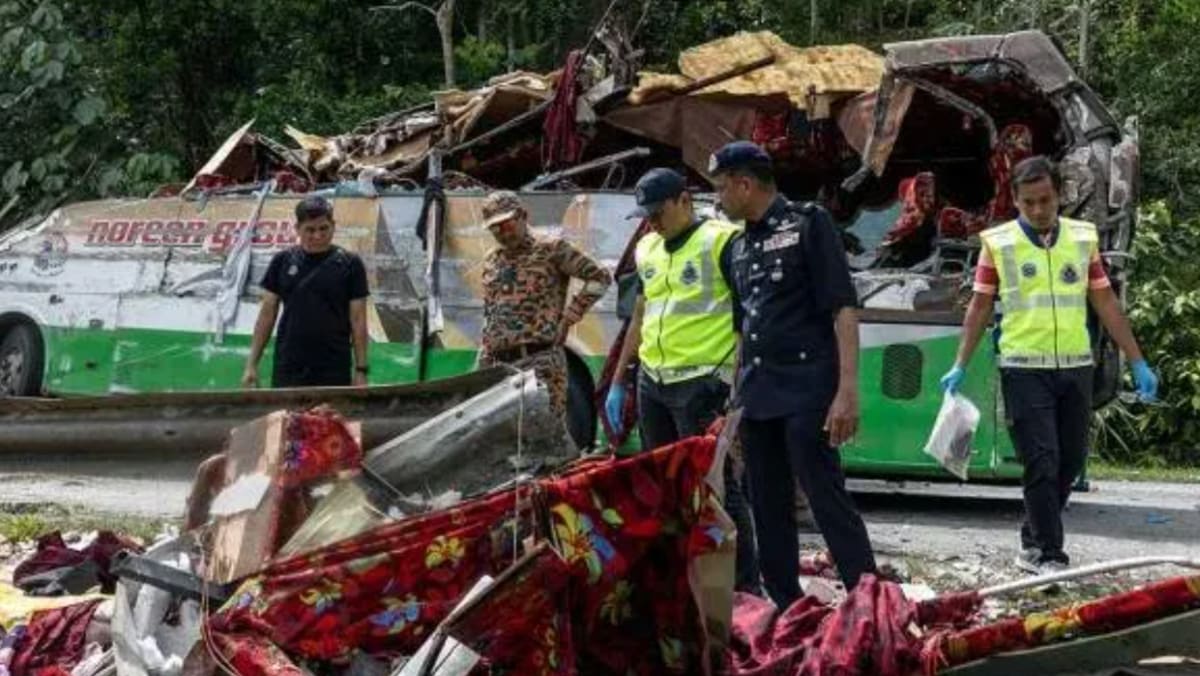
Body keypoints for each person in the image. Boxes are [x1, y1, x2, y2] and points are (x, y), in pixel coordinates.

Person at [941, 155, 1158, 575]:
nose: (1038, 210)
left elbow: (1105, 300)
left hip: (1076, 366)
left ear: (1059, 195)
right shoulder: (998, 243)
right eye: (1028, 203)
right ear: (1016, 202)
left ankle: (1031, 537)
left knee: (1070, 461)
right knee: (1041, 458)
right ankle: (1049, 555)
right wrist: (960, 364)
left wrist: (1137, 359)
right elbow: (980, 306)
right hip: (1024, 369)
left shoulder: (1082, 238)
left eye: (1045, 200)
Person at [711, 140, 877, 608]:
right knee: (766, 502)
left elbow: (842, 308)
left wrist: (848, 392)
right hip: (758, 395)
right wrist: (734, 403)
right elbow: (744, 329)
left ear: (745, 184)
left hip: (808, 390)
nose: (719, 199)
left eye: (723, 188)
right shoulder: (737, 247)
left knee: (825, 496)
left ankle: (868, 599)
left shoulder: (809, 224)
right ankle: (784, 602)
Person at [605, 167, 761, 594]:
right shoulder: (648, 247)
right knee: (664, 489)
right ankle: (679, 580)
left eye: (658, 212)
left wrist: (738, 388)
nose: (652, 222)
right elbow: (640, 313)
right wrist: (619, 379)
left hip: (703, 383)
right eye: (646, 214)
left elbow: (747, 318)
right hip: (653, 382)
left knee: (716, 490)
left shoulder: (722, 241)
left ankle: (746, 588)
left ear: (684, 201)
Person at [476, 191, 612, 420]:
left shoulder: (551, 249)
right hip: (497, 365)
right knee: (501, 439)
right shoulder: (492, 260)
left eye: (506, 225)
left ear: (523, 216)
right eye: (494, 228)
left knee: (543, 436)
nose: (502, 233)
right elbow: (491, 309)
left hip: (539, 361)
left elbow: (600, 278)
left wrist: (570, 316)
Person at [242, 195, 370, 388]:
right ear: (297, 229)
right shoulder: (282, 261)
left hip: (333, 366)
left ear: (333, 226)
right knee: (286, 418)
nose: (317, 236)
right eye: (310, 230)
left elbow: (358, 320)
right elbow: (267, 315)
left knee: (329, 417)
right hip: (289, 364)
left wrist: (361, 371)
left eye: (323, 228)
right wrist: (251, 365)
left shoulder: (350, 264)